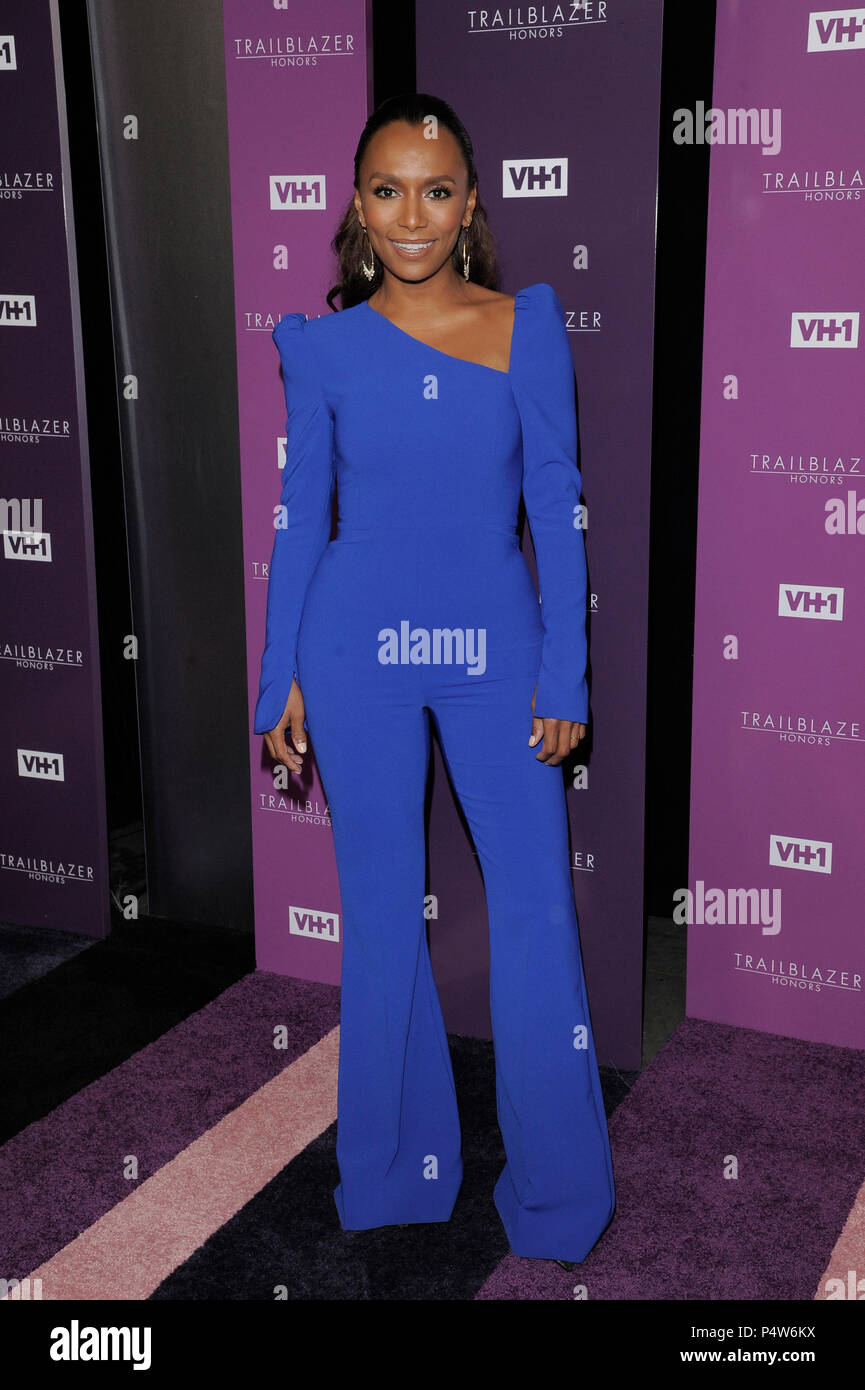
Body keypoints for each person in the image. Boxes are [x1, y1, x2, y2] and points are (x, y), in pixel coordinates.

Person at [253, 92, 615, 1264]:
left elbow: (556, 516)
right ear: (358, 207)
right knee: (381, 924)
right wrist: (280, 679)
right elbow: (303, 521)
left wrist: (565, 667)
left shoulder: (527, 327)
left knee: (531, 912)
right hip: (352, 650)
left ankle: (560, 1195)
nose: (413, 213)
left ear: (470, 205)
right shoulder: (319, 346)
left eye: (438, 188)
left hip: (498, 654)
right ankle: (400, 1171)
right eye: (389, 189)